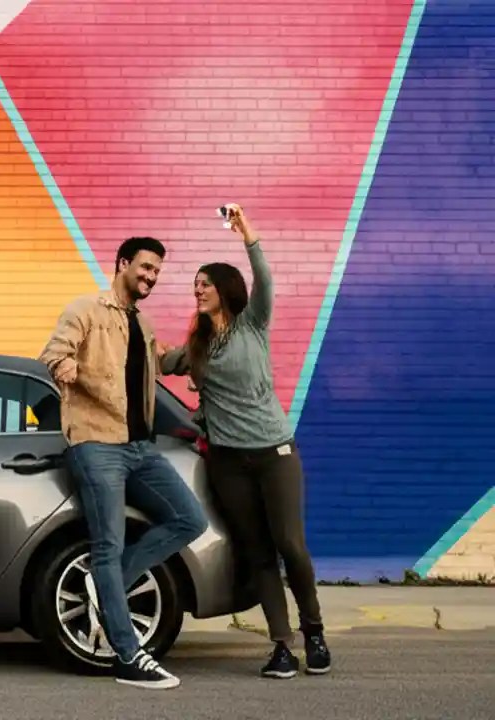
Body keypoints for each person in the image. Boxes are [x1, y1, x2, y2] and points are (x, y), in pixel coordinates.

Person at [158, 204, 332, 679]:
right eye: (195, 284)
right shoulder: (197, 348)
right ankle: (282, 646)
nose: (198, 289)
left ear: (225, 289)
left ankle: (314, 631)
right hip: (228, 463)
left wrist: (247, 233)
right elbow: (161, 361)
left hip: (275, 454)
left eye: (205, 283)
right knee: (257, 553)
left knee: (290, 545)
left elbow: (265, 279)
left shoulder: (253, 324)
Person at [38, 236, 209, 690]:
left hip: (139, 448)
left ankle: (107, 581)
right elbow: (54, 355)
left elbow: (163, 363)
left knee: (189, 519)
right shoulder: (86, 310)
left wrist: (209, 337)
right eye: (146, 267)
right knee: (108, 544)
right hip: (96, 444)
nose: (151, 277)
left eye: (157, 272)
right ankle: (128, 656)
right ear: (123, 264)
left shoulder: (142, 324)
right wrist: (73, 372)